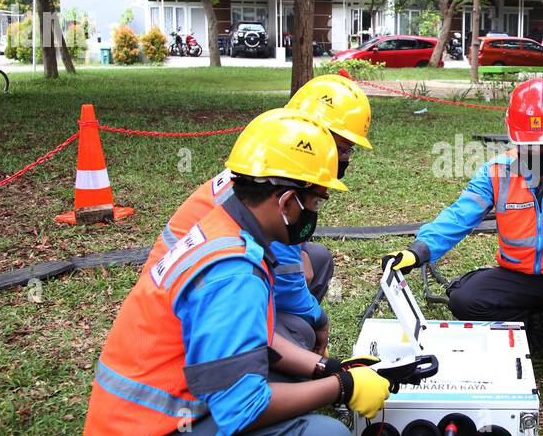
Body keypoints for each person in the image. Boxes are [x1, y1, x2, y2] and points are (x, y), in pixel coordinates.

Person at [81, 110, 391, 436]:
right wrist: (341, 388)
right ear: (287, 200)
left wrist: (326, 367)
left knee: (293, 382)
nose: (315, 213)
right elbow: (243, 408)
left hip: (134, 431)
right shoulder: (232, 273)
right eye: (314, 201)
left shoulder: (224, 228)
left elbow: (259, 342)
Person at [382, 78, 543, 353]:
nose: (536, 153)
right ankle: (529, 323)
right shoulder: (497, 172)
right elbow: (459, 216)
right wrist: (419, 250)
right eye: (528, 145)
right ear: (513, 135)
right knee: (464, 299)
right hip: (518, 277)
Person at [145, 75, 373, 357]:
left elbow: (289, 258)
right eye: (342, 148)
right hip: (190, 306)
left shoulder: (267, 167)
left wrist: (298, 252)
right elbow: (289, 286)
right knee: (299, 329)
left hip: (196, 282)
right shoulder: (273, 193)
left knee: (316, 259)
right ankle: (272, 358)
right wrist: (319, 324)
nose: (344, 158)